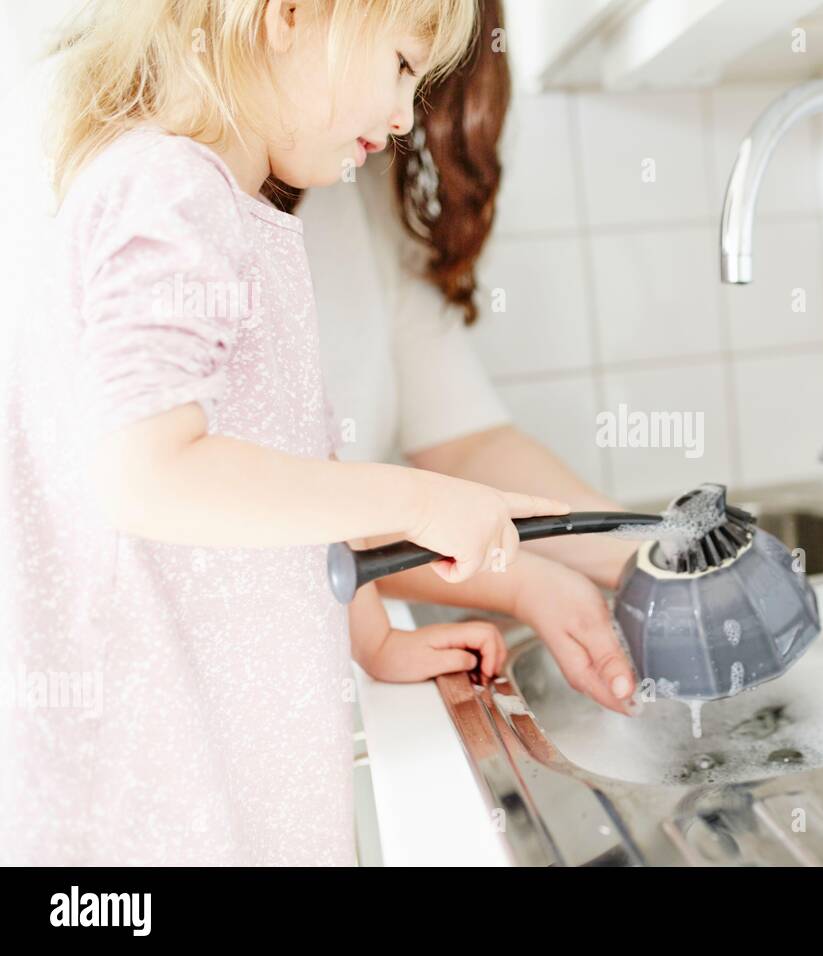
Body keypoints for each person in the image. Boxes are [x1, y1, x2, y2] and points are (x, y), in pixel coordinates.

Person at [0, 0, 572, 865]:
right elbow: (149, 474)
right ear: (291, 14)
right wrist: (417, 498)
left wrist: (372, 637)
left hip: (216, 783)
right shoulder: (166, 191)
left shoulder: (221, 209)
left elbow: (284, 469)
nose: (406, 116)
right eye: (403, 66)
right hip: (144, 807)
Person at [288, 0, 641, 714]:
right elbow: (269, 494)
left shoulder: (348, 182)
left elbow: (464, 441)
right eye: (400, 66)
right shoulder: (181, 202)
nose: (402, 122)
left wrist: (640, 562)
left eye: (415, 80)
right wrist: (519, 580)